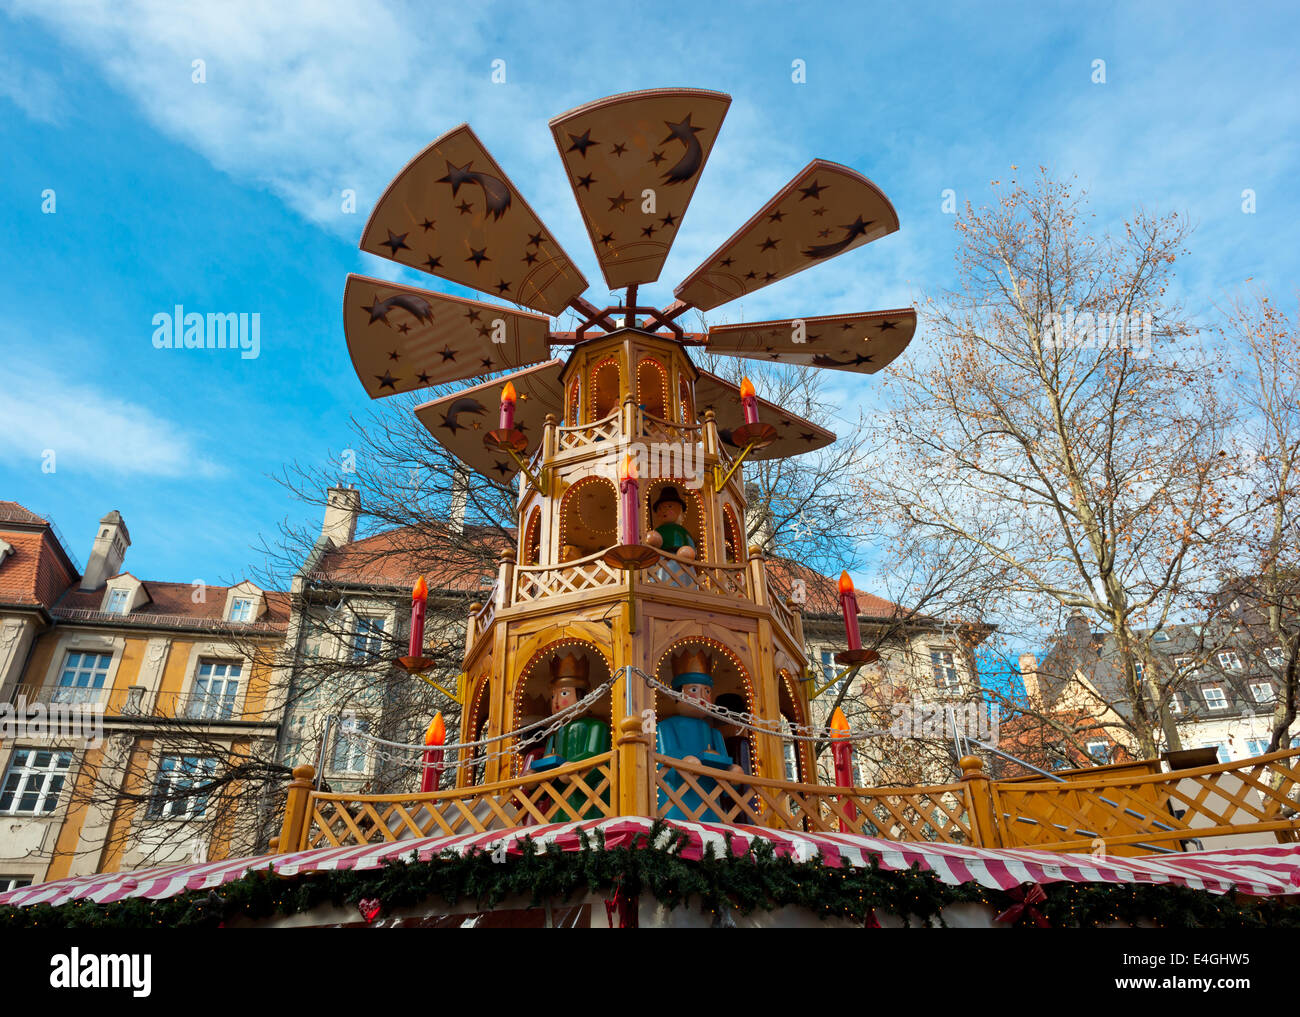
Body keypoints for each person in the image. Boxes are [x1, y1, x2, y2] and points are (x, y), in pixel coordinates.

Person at [655, 650, 743, 822]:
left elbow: (725, 766)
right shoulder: (666, 726)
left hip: (711, 803)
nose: (703, 697)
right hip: (677, 802)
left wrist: (733, 772)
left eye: (707, 691)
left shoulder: (714, 733)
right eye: (694, 689)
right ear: (678, 695)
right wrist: (685, 761)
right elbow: (663, 760)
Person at [524, 654, 610, 820]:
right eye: (553, 696)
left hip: (590, 804)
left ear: (583, 697)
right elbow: (549, 774)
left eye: (564, 693)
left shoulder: (597, 726)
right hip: (558, 808)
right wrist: (535, 779)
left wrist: (572, 767)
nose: (556, 701)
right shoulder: (554, 735)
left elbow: (599, 760)